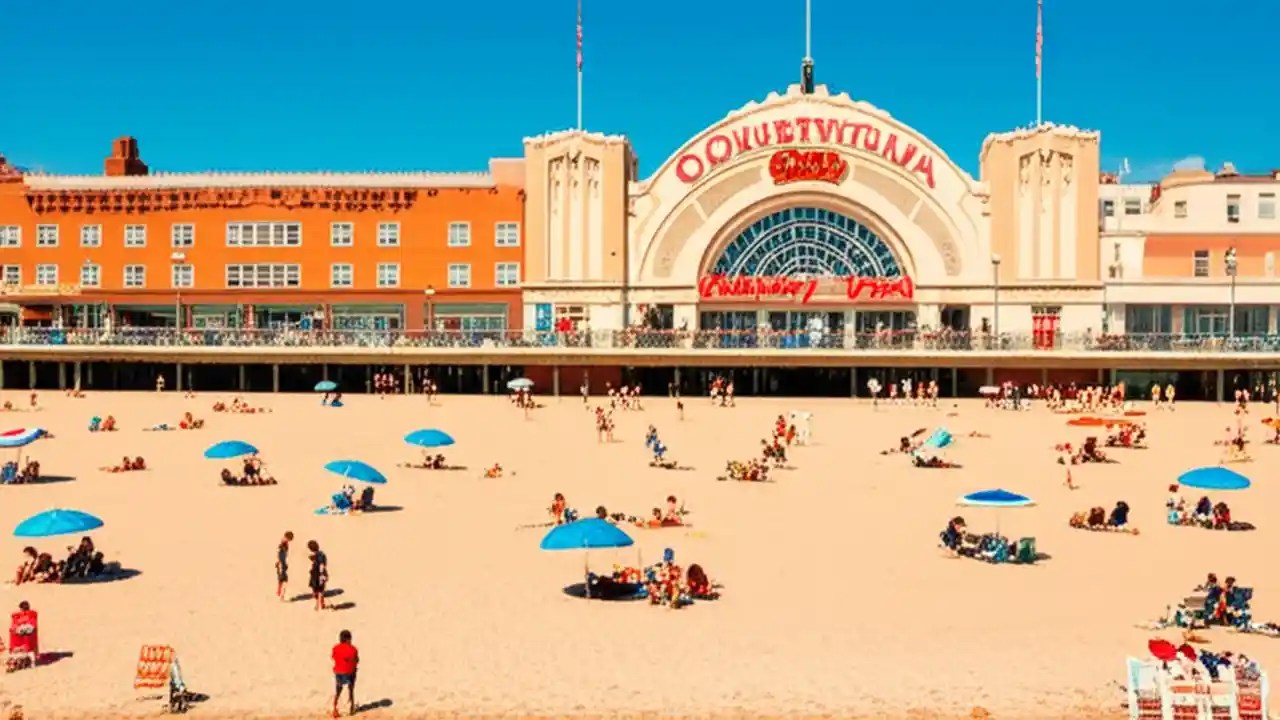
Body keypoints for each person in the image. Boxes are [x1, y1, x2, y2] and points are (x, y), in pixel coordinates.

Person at [331, 629, 359, 718]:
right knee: (351, 688)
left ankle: (335, 707)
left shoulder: (335, 648)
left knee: (338, 689)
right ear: (349, 639)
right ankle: (351, 707)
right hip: (349, 672)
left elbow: (333, 657)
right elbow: (356, 660)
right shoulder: (353, 649)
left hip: (338, 671)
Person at [308, 540, 329, 611]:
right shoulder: (321, 554)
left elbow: (321, 565)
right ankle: (321, 604)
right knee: (320, 590)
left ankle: (318, 605)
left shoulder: (318, 556)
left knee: (317, 590)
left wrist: (321, 574)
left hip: (317, 574)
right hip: (318, 573)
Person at [276, 531, 294, 601]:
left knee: (281, 579)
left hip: (282, 563)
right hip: (282, 564)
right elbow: (281, 554)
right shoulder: (283, 544)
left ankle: (278, 591)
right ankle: (281, 596)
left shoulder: (283, 543)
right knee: (285, 580)